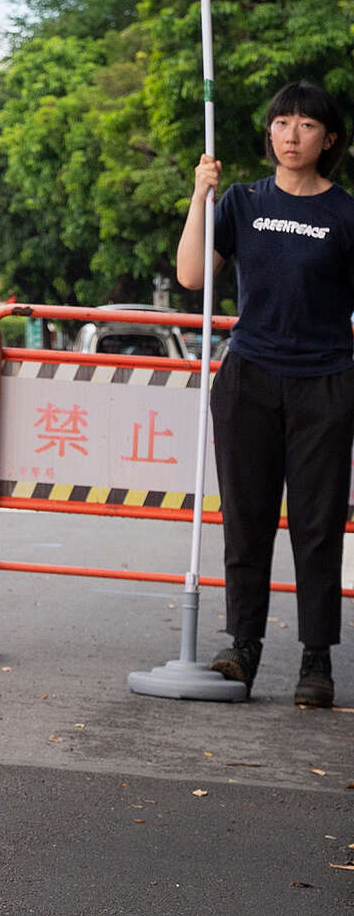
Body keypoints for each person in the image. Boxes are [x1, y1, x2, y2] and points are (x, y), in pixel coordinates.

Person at [175, 80, 354, 709]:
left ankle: (316, 657)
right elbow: (193, 275)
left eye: (307, 125)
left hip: (326, 382)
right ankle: (242, 646)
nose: (292, 135)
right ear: (270, 132)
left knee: (316, 524)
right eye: (283, 123)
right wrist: (201, 198)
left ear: (328, 139)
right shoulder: (244, 202)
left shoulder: (346, 214)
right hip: (250, 377)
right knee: (246, 520)